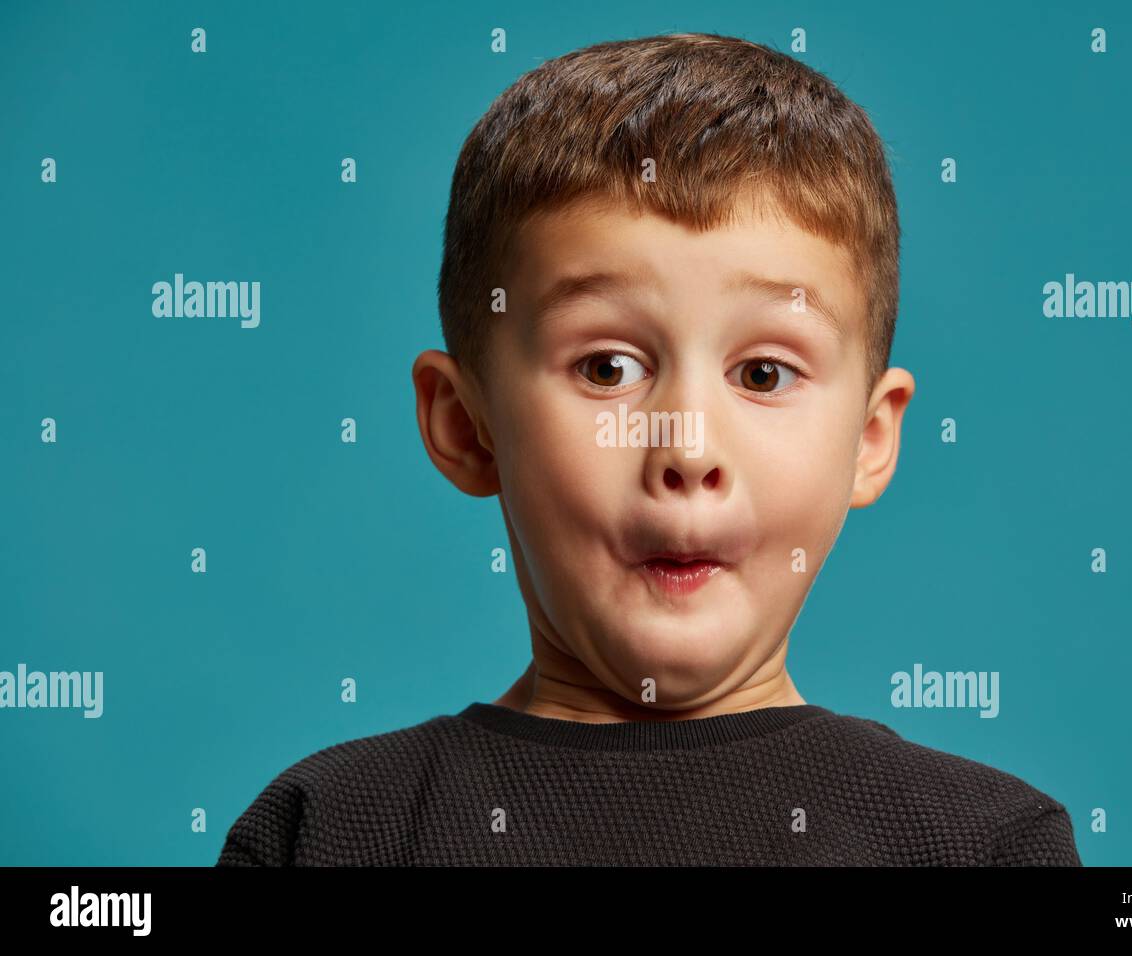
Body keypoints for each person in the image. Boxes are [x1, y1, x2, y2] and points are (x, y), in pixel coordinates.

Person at [217, 32, 1081, 866]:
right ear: (464, 425)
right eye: (607, 367)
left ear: (869, 436)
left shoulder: (983, 844)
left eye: (765, 374)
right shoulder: (330, 831)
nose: (687, 447)